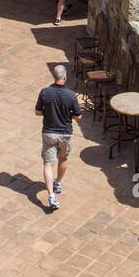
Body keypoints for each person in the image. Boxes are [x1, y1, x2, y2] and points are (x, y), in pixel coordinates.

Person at [34, 63, 82, 210]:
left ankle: (51, 196)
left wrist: (47, 113)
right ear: (65, 77)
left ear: (54, 77)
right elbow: (78, 116)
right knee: (63, 159)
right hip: (65, 133)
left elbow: (37, 112)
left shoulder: (45, 92)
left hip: (49, 132)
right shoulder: (71, 95)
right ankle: (58, 183)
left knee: (48, 164)